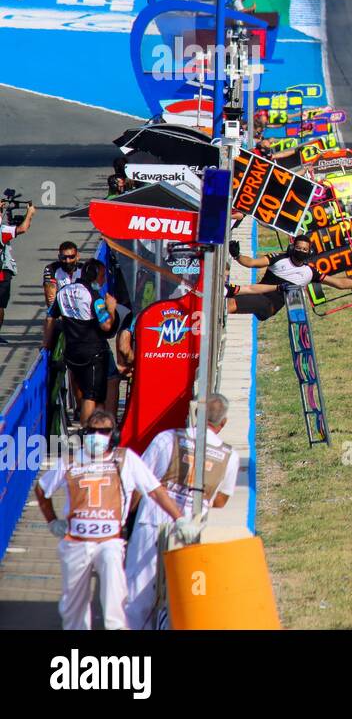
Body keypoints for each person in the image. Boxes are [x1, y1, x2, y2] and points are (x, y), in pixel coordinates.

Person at [35, 409, 194, 630]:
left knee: (114, 599)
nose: (97, 435)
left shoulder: (126, 460)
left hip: (109, 540)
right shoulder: (69, 462)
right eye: (92, 430)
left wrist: (179, 519)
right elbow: (42, 489)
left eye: (104, 431)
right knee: (72, 609)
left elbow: (155, 490)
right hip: (76, 541)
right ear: (84, 432)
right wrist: (52, 521)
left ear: (113, 435)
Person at [125, 394, 239, 630]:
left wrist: (127, 520)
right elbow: (220, 501)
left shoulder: (167, 439)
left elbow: (139, 483)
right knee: (178, 595)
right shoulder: (230, 457)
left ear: (196, 414)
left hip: (152, 523)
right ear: (223, 423)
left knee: (137, 595)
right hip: (192, 530)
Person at [225, 235, 352, 320]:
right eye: (299, 248)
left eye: (305, 249)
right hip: (255, 292)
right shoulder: (278, 258)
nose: (301, 251)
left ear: (309, 252)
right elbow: (251, 263)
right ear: (292, 248)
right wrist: (237, 255)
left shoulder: (310, 272)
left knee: (231, 303)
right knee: (226, 301)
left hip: (269, 305)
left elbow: (340, 283)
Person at [43, 258, 117, 426]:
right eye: (102, 276)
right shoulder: (94, 296)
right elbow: (106, 325)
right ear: (94, 276)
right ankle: (86, 433)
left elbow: (50, 317)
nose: (104, 279)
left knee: (87, 393)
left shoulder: (64, 292)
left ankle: (96, 428)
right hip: (93, 353)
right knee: (91, 396)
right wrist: (111, 309)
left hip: (72, 352)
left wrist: (46, 344)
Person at [0, 198, 35, 344]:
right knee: (0, 304)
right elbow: (23, 228)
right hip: (1, 273)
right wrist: (30, 213)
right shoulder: (2, 231)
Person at [43, 241, 82, 307]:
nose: (67, 261)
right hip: (62, 309)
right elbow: (51, 298)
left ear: (77, 256)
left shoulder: (84, 269)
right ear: (59, 257)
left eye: (71, 257)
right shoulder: (51, 269)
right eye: (64, 257)